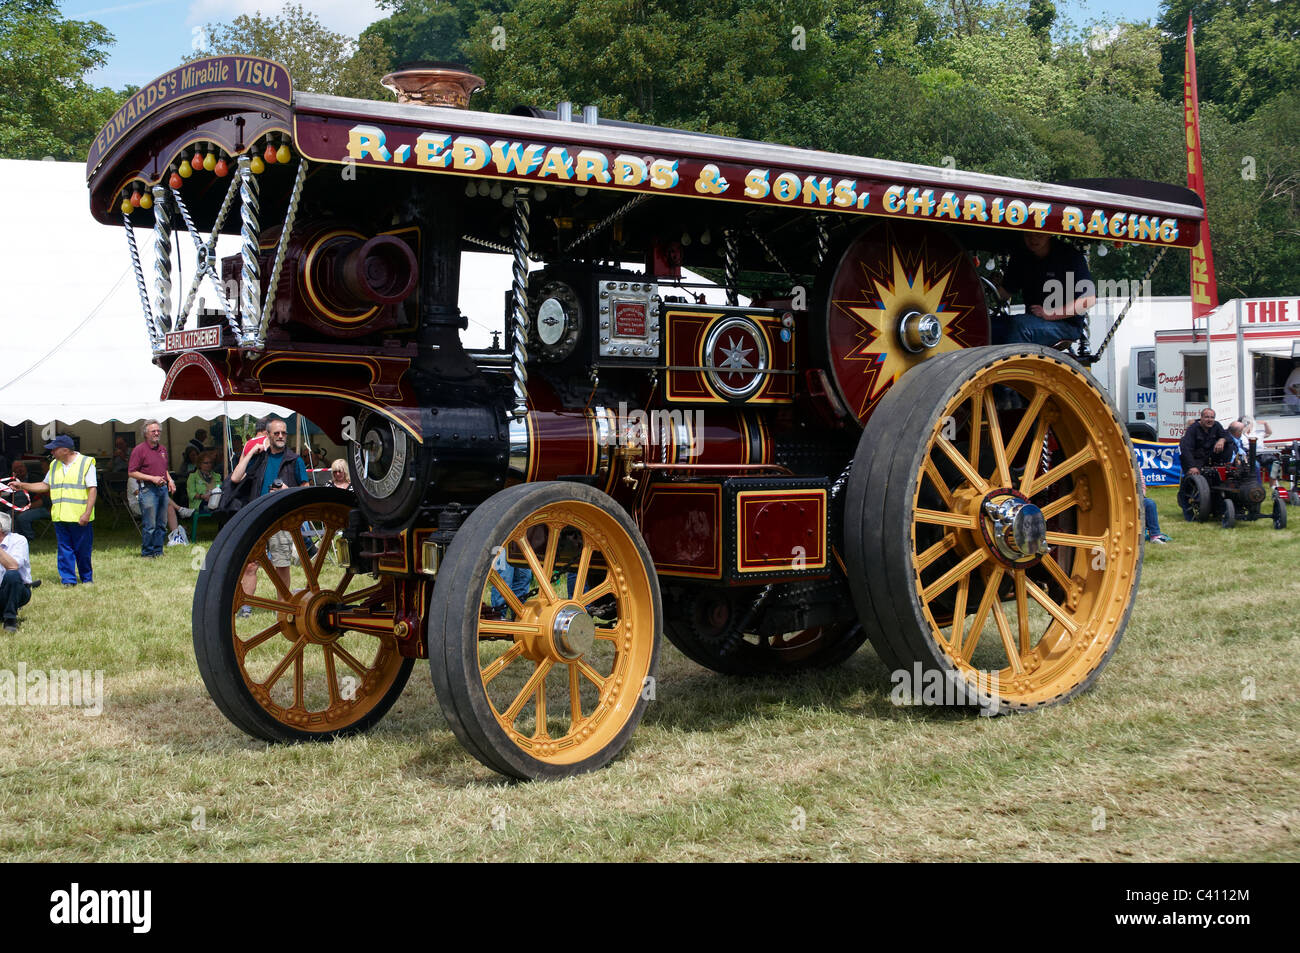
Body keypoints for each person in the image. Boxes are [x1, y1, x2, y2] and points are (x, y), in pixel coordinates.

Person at [228, 417, 309, 617]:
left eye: (283, 433)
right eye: (276, 433)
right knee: (250, 564)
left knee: (281, 564)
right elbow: (235, 478)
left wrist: (286, 490)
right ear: (268, 435)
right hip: (257, 517)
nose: (281, 436)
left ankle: (281, 608)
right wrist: (249, 455)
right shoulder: (259, 458)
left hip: (281, 518)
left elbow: (306, 490)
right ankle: (245, 607)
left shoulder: (294, 460)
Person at [11, 435, 95, 586]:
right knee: (64, 549)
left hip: (79, 516)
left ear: (65, 450)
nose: (52, 452)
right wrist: (22, 485)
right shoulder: (55, 464)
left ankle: (86, 578)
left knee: (82, 550)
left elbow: (92, 490)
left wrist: (87, 513)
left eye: (54, 449)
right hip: (59, 515)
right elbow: (45, 485)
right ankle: (68, 580)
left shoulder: (86, 463)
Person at [994, 234, 1096, 347]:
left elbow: (1088, 300)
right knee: (990, 325)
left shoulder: (1069, 256)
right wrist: (989, 287)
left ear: (1049, 234)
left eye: (1039, 235)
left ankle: (1014, 365)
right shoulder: (1021, 256)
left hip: (1066, 325)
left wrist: (1049, 313)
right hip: (1032, 321)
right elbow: (1004, 293)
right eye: (1028, 235)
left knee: (1020, 326)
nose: (1033, 238)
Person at [128, 420, 175, 558]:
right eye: (153, 431)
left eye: (158, 431)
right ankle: (147, 553)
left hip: (162, 489)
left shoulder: (163, 449)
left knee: (162, 523)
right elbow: (132, 472)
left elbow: (164, 469)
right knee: (150, 524)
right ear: (146, 434)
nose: (156, 433)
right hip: (148, 489)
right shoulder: (139, 450)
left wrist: (170, 480)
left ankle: (158, 551)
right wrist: (152, 478)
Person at [0, 511, 34, 633]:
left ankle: (10, 619)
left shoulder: (19, 540)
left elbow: (13, 566)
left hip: (18, 590)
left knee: (12, 575)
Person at [1178, 408, 1232, 476]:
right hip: (1196, 459)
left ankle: (1226, 466)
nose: (1209, 420)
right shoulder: (1192, 429)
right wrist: (1192, 467)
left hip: (1210, 457)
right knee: (1196, 476)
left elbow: (1229, 437)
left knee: (1228, 445)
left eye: (1212, 417)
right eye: (1207, 417)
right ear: (1201, 418)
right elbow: (1186, 450)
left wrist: (1222, 440)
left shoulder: (1216, 425)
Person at [9, 462, 50, 542]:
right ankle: (16, 538)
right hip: (17, 507)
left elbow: (44, 500)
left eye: (21, 466)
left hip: (39, 507)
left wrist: (25, 509)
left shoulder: (37, 479)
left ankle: (29, 538)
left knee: (22, 517)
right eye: (16, 468)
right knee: (8, 515)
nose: (20, 469)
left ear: (26, 468)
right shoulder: (10, 481)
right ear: (13, 472)